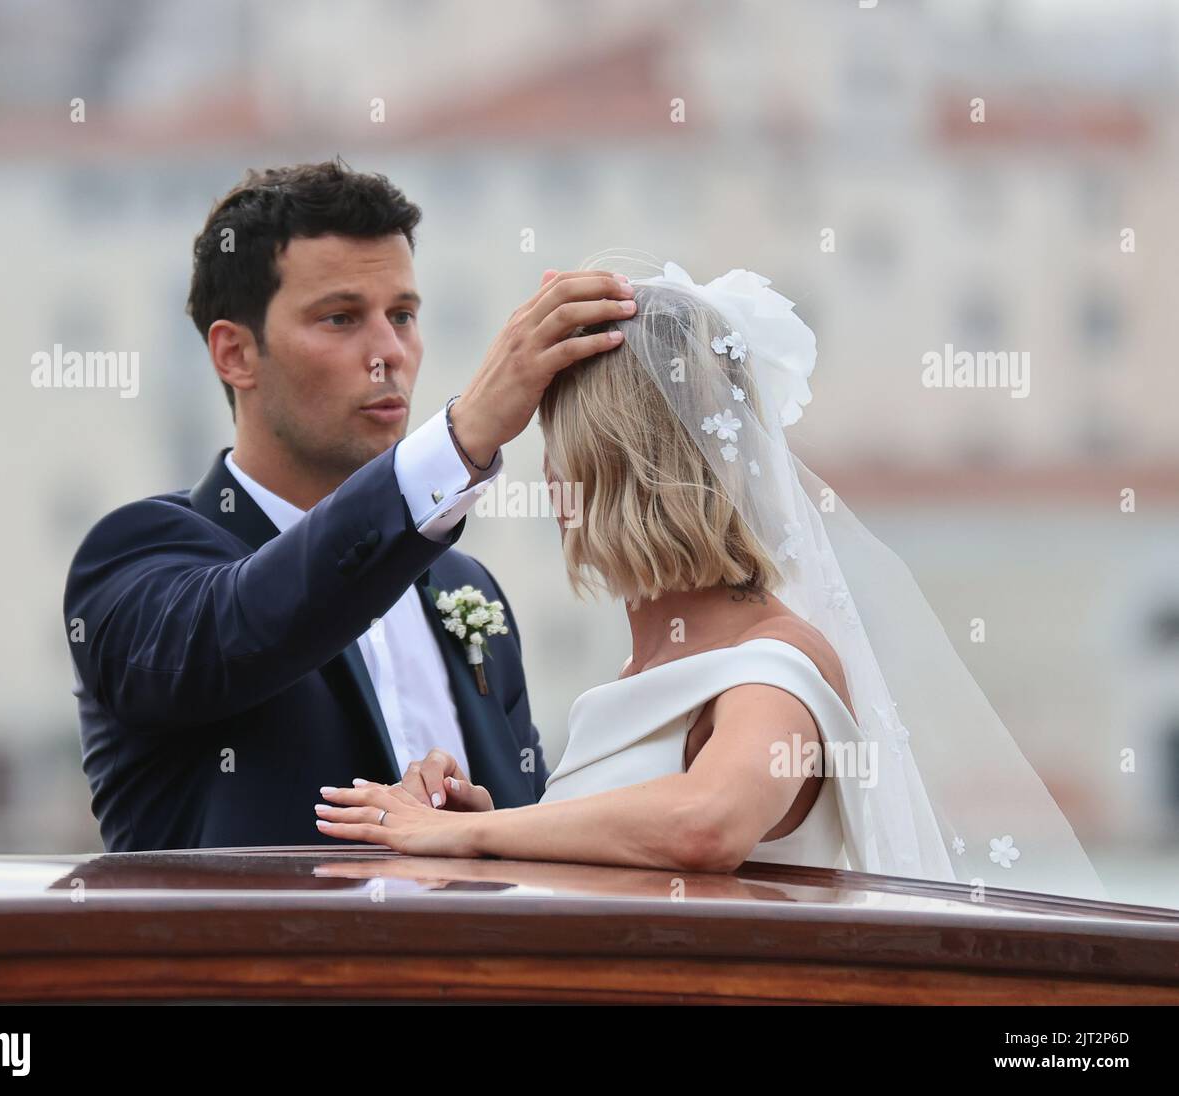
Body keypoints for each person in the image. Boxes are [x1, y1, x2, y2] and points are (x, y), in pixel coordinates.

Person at [317, 255, 1110, 903]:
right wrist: (497, 831)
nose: (550, 480)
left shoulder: (774, 668)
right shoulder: (653, 670)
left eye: (560, 448)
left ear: (603, 471)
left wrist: (462, 836)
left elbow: (709, 823)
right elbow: (637, 867)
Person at [64, 159, 633, 851]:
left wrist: (484, 838)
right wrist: (463, 436)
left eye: (403, 315)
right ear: (235, 353)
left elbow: (532, 858)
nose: (388, 352)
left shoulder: (465, 588)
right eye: (340, 319)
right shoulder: (134, 557)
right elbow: (250, 622)